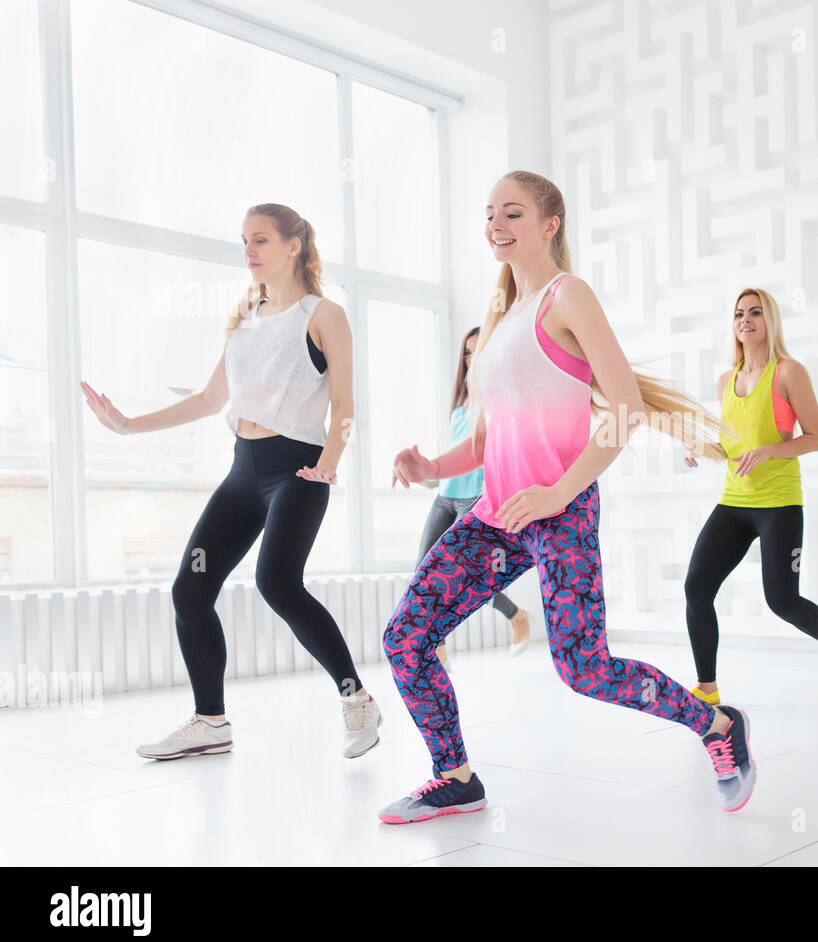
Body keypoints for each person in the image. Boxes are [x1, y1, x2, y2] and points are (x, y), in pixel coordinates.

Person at [379, 170, 756, 821]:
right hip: (498, 513)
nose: (497, 224)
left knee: (583, 667)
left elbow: (626, 410)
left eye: (514, 213)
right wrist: (431, 464)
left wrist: (559, 491)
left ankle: (717, 727)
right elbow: (486, 438)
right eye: (490, 212)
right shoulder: (498, 322)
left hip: (562, 508)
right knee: (405, 637)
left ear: (550, 224)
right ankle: (455, 777)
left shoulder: (566, 296)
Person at [81, 202, 382, 761]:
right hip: (244, 471)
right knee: (190, 589)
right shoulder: (247, 314)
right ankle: (210, 721)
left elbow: (344, 403)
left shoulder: (324, 315)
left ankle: (356, 697)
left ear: (294, 245)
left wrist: (330, 461)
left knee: (277, 583)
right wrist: (125, 425)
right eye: (244, 241)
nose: (249, 251)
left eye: (261, 240)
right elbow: (208, 399)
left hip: (298, 468)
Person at [683, 288, 818, 703]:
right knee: (697, 587)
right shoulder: (725, 380)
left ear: (770, 321)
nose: (746, 320)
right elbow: (732, 447)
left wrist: (769, 451)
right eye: (739, 313)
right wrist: (698, 448)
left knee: (782, 600)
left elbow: (815, 438)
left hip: (779, 504)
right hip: (734, 503)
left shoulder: (788, 373)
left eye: (756, 313)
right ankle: (707, 688)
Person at [411, 325, 532, 668]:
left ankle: (516, 616)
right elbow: (457, 449)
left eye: (477, 351)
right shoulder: (460, 401)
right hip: (446, 496)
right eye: (466, 352)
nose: (470, 358)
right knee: (423, 572)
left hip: (474, 500)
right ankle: (438, 647)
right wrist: (432, 477)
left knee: (466, 577)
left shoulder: (498, 400)